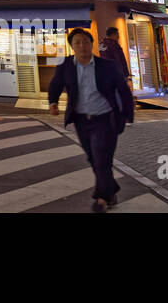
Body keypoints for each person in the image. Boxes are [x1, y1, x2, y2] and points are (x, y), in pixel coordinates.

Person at [48, 28, 135, 212]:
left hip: (104, 119)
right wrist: (53, 102)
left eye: (86, 42)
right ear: (72, 46)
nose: (82, 46)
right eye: (78, 42)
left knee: (101, 158)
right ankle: (111, 190)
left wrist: (128, 115)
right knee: (93, 158)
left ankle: (102, 198)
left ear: (92, 44)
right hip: (81, 120)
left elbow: (123, 90)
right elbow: (56, 83)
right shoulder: (65, 66)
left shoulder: (107, 66)